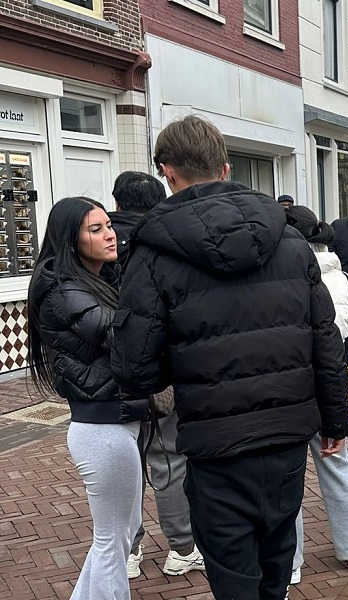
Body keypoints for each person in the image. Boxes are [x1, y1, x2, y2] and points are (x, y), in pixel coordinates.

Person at [111, 115, 348, 600]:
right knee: (275, 567)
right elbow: (325, 339)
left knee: (234, 576)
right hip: (285, 435)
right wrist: (336, 421)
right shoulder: (290, 242)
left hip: (214, 440)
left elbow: (135, 368)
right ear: (224, 168)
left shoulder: (153, 253)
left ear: (167, 172)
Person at [27, 196, 149, 600]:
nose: (109, 235)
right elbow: (123, 336)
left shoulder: (100, 280)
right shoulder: (63, 291)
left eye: (108, 226)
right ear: (70, 240)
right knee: (112, 541)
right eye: (95, 230)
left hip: (118, 421)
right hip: (101, 426)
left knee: (120, 534)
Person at [109, 171, 205, 578]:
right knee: (167, 459)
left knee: (123, 463)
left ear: (116, 201)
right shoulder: (165, 241)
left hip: (112, 375)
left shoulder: (94, 241)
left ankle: (129, 550)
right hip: (162, 374)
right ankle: (181, 547)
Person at [284, 206, 348, 578]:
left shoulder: (288, 280)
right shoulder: (347, 280)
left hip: (295, 389)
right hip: (337, 384)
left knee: (287, 480)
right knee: (338, 469)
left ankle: (291, 562)